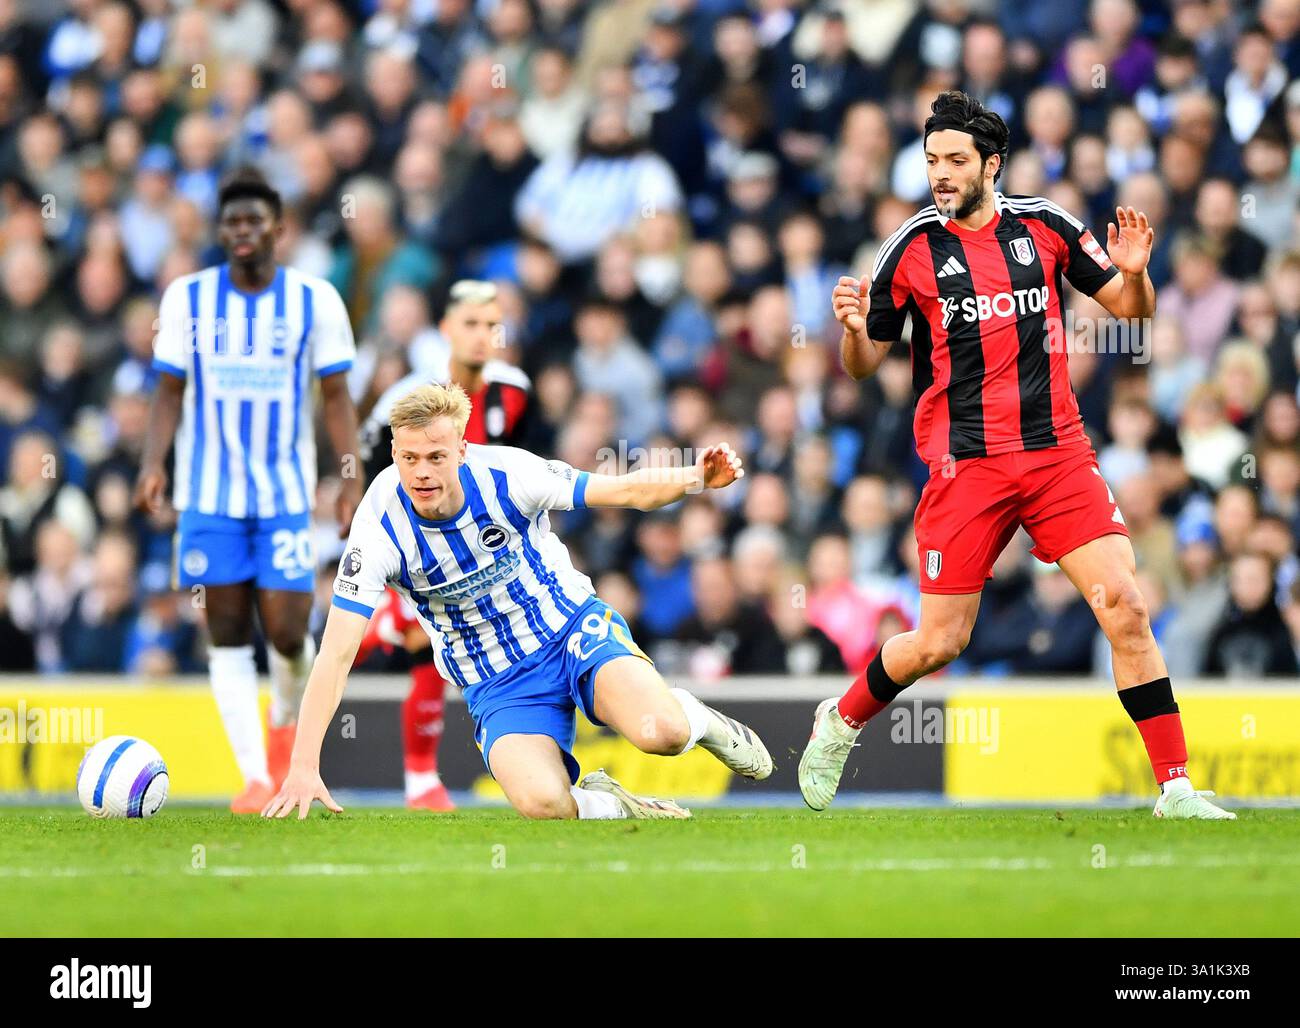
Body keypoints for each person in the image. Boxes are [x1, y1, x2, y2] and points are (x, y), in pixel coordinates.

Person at [799, 90, 1234, 820]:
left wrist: (1132, 273)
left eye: (955, 160)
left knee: (1124, 604)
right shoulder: (908, 247)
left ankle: (1176, 788)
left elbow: (1135, 312)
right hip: (964, 465)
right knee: (940, 642)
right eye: (932, 159)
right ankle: (840, 720)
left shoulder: (1046, 225)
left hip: (1058, 454)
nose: (940, 173)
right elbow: (864, 364)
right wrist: (849, 330)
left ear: (991, 165)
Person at [263, 382, 772, 821]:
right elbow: (334, 654)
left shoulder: (509, 475)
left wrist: (696, 478)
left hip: (571, 630)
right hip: (495, 680)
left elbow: (626, 491)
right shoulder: (378, 528)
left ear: (462, 449)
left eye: (436, 456)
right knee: (544, 803)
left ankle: (698, 720)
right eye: (408, 457)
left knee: (659, 732)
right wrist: (304, 765)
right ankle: (615, 805)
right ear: (394, 453)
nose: (420, 472)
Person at [133, 167, 362, 814]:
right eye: (231, 222)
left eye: (253, 221)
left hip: (284, 498)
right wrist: (154, 464)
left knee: (288, 632)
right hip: (208, 500)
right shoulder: (188, 299)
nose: (241, 232)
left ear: (278, 230)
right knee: (226, 630)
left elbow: (337, 397)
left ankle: (288, 724)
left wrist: (350, 482)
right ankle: (256, 777)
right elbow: (169, 391)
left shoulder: (314, 300)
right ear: (219, 230)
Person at [354, 279, 535, 811]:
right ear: (446, 331)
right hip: (414, 542)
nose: (482, 337)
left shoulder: (514, 391)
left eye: (491, 326)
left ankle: (425, 778)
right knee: (426, 648)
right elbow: (368, 461)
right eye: (470, 325)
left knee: (431, 651)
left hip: (487, 548)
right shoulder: (409, 399)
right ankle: (419, 781)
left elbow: (528, 470)